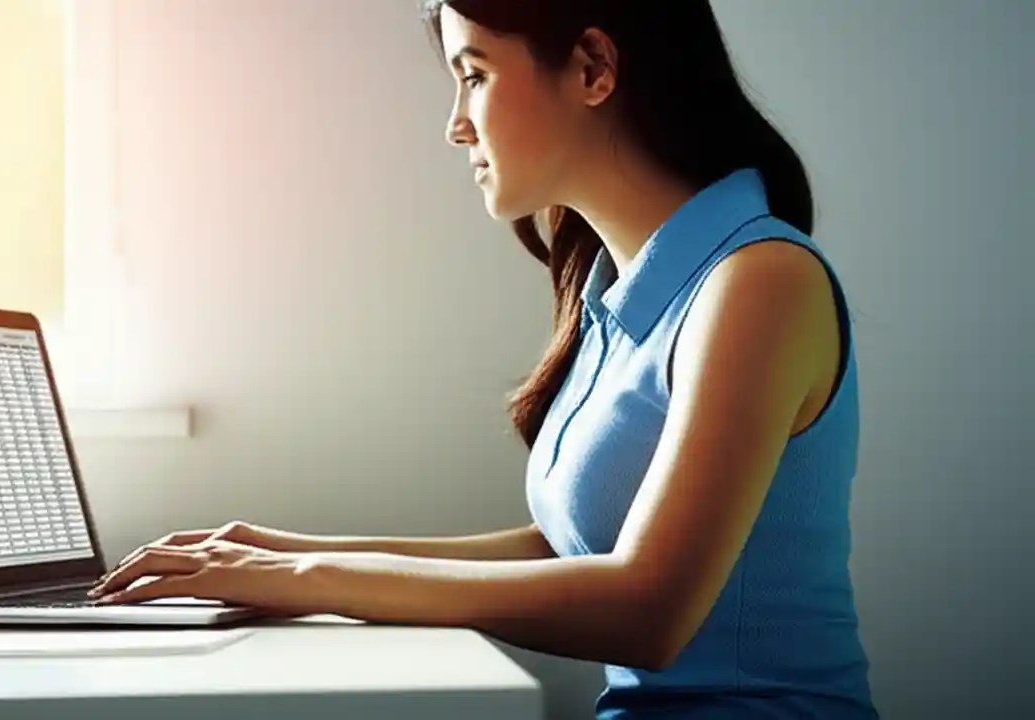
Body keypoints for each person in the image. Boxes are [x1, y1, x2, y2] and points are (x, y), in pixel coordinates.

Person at [89, 1, 879, 717]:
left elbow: (650, 607)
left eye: (474, 76)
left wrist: (306, 583)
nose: (456, 125)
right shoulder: (621, 291)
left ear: (594, 68)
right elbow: (571, 550)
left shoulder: (761, 281)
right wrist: (286, 551)